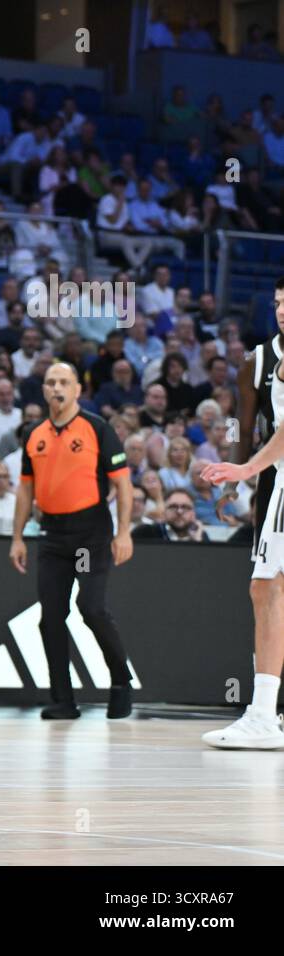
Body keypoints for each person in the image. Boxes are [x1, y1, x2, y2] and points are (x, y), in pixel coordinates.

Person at [10, 362, 134, 720]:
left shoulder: (97, 427)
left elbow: (123, 484)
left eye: (64, 382)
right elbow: (25, 489)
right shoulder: (34, 433)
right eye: (50, 382)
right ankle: (64, 700)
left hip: (90, 531)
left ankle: (120, 682)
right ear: (44, 389)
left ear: (78, 390)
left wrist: (124, 531)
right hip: (51, 533)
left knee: (92, 608)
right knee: (50, 617)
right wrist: (17, 537)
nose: (56, 388)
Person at [201, 277, 284, 748]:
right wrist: (239, 470)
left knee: (267, 586)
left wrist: (245, 466)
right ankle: (264, 711)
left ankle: (262, 712)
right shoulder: (256, 360)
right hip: (271, 474)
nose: (282, 311)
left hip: (278, 467)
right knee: (269, 585)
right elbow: (242, 422)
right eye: (276, 304)